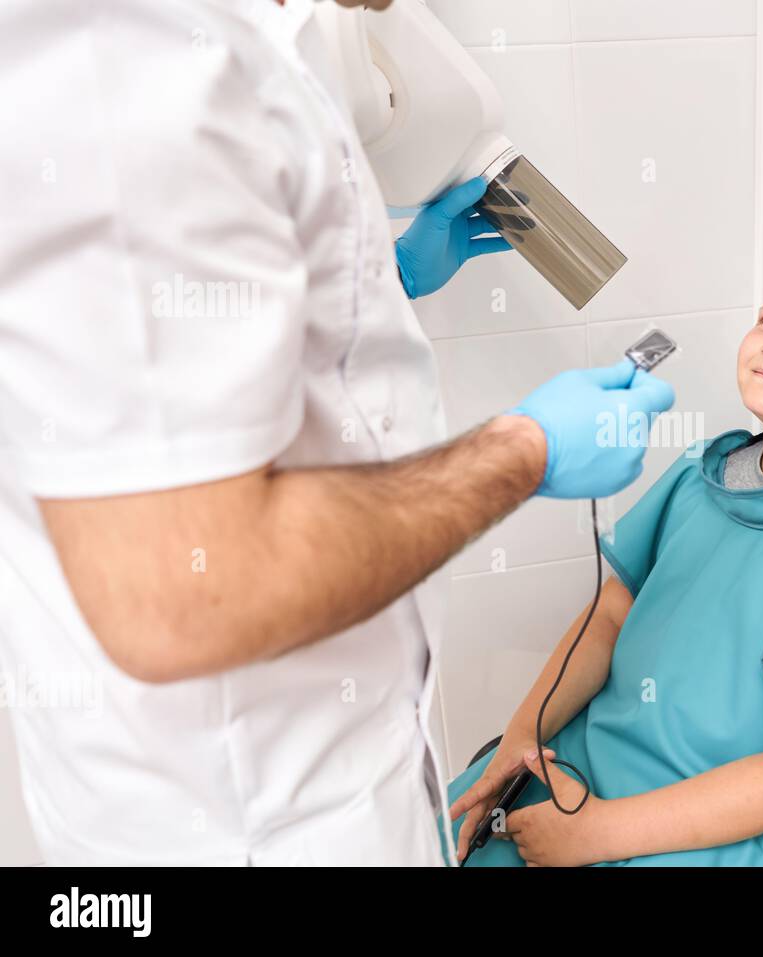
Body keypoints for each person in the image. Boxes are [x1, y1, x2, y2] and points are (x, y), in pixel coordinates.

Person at [0, 0, 672, 865]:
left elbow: (171, 363)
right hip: (242, 822)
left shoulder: (236, 47)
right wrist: (524, 450)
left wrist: (385, 279)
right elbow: (178, 591)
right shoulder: (131, 60)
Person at [447, 239, 763, 867]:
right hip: (585, 767)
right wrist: (518, 745)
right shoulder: (702, 474)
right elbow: (610, 618)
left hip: (708, 832)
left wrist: (596, 834)